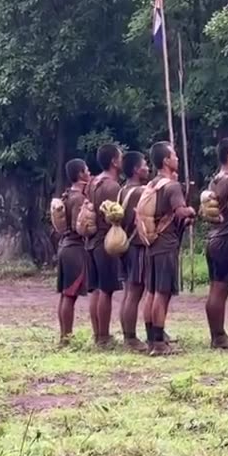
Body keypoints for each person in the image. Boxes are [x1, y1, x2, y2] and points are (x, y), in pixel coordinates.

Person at [143, 141, 195, 356]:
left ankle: (151, 338)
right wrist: (191, 211)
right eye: (174, 155)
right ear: (166, 160)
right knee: (162, 293)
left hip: (152, 242)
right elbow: (181, 212)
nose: (177, 158)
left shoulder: (152, 184)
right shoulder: (172, 186)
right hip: (166, 244)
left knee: (151, 291)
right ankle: (159, 343)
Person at [204, 138, 228, 349]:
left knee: (215, 288)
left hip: (213, 237)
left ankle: (216, 334)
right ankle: (218, 335)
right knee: (220, 289)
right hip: (226, 238)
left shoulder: (215, 180)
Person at [86, 143, 123, 347]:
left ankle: (97, 334)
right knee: (106, 290)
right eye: (121, 157)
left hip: (91, 242)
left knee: (96, 290)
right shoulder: (112, 187)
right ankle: (104, 337)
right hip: (105, 242)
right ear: (114, 161)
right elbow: (117, 216)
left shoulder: (93, 183)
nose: (123, 160)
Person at [56, 158, 91, 346]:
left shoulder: (67, 195)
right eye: (87, 170)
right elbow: (80, 227)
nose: (89, 173)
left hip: (65, 246)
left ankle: (65, 336)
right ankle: (66, 338)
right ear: (80, 174)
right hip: (74, 249)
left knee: (65, 295)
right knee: (70, 295)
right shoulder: (79, 199)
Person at [118, 151, 150, 351]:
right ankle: (130, 338)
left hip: (125, 245)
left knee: (128, 292)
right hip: (137, 245)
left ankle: (127, 335)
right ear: (137, 169)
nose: (148, 168)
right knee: (135, 293)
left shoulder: (122, 190)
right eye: (145, 164)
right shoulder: (141, 192)